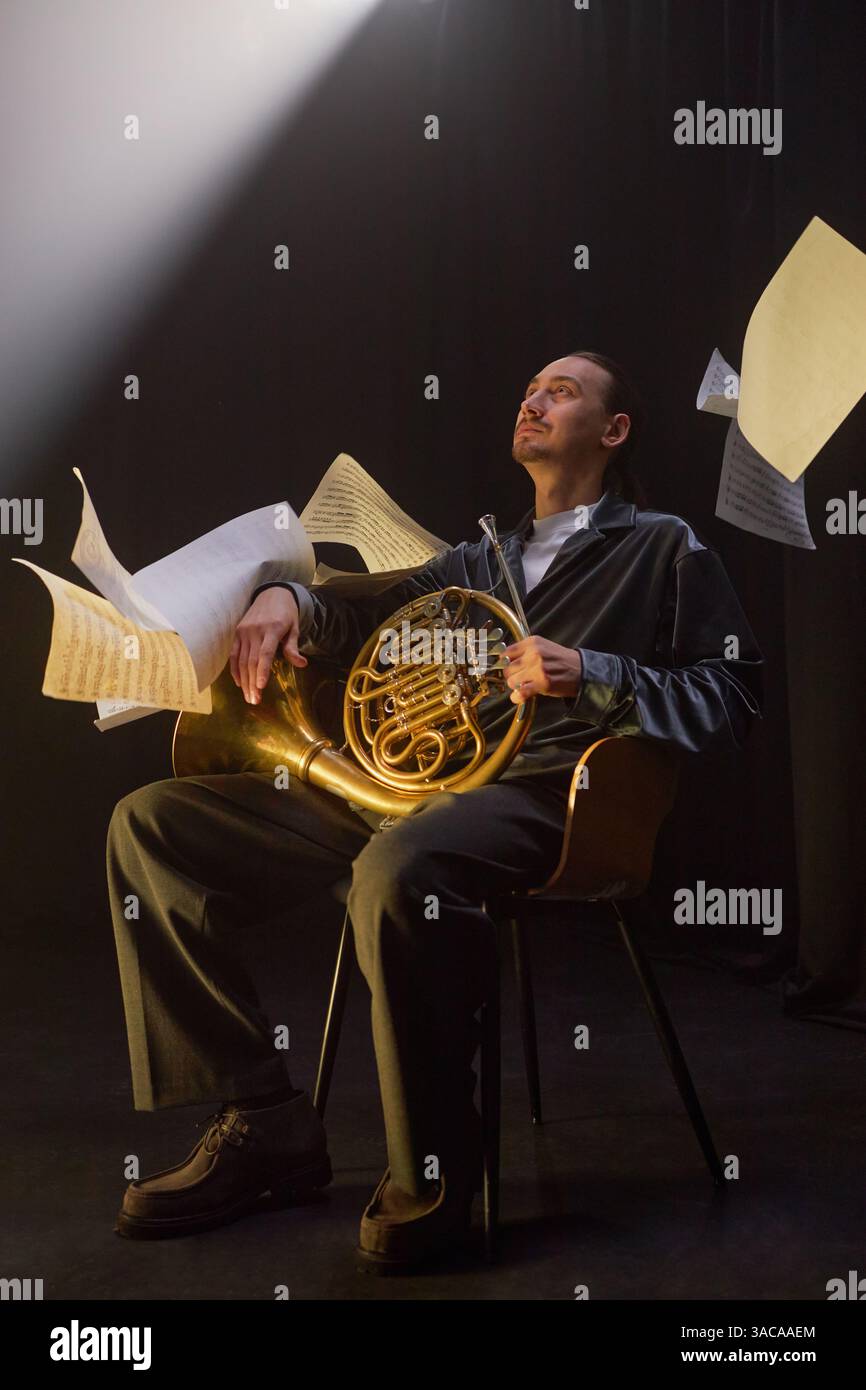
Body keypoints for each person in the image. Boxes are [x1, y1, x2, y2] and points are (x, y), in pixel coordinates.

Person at [108, 350, 763, 1273]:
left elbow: (731, 697)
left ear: (613, 434)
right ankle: (265, 1124)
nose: (532, 398)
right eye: (529, 387)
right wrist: (286, 596)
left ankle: (434, 1175)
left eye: (562, 391)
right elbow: (352, 607)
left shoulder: (664, 546)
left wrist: (594, 673)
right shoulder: (475, 560)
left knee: (400, 870)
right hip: (416, 794)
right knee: (151, 825)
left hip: (546, 795)